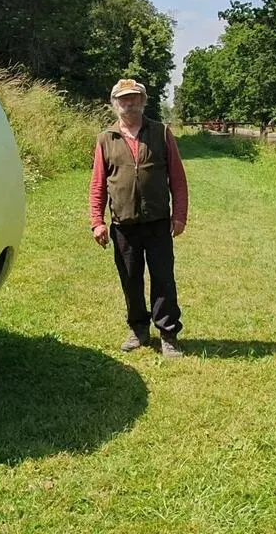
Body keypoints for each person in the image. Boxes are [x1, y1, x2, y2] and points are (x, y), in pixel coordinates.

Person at [89, 78, 189, 358]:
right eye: (123, 99)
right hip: (124, 225)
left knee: (163, 279)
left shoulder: (161, 132)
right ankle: (138, 330)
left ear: (143, 101)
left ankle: (168, 334)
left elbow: (178, 180)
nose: (129, 103)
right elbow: (98, 184)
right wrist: (97, 221)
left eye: (134, 98)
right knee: (130, 279)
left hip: (158, 222)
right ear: (115, 104)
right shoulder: (106, 139)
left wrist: (179, 215)